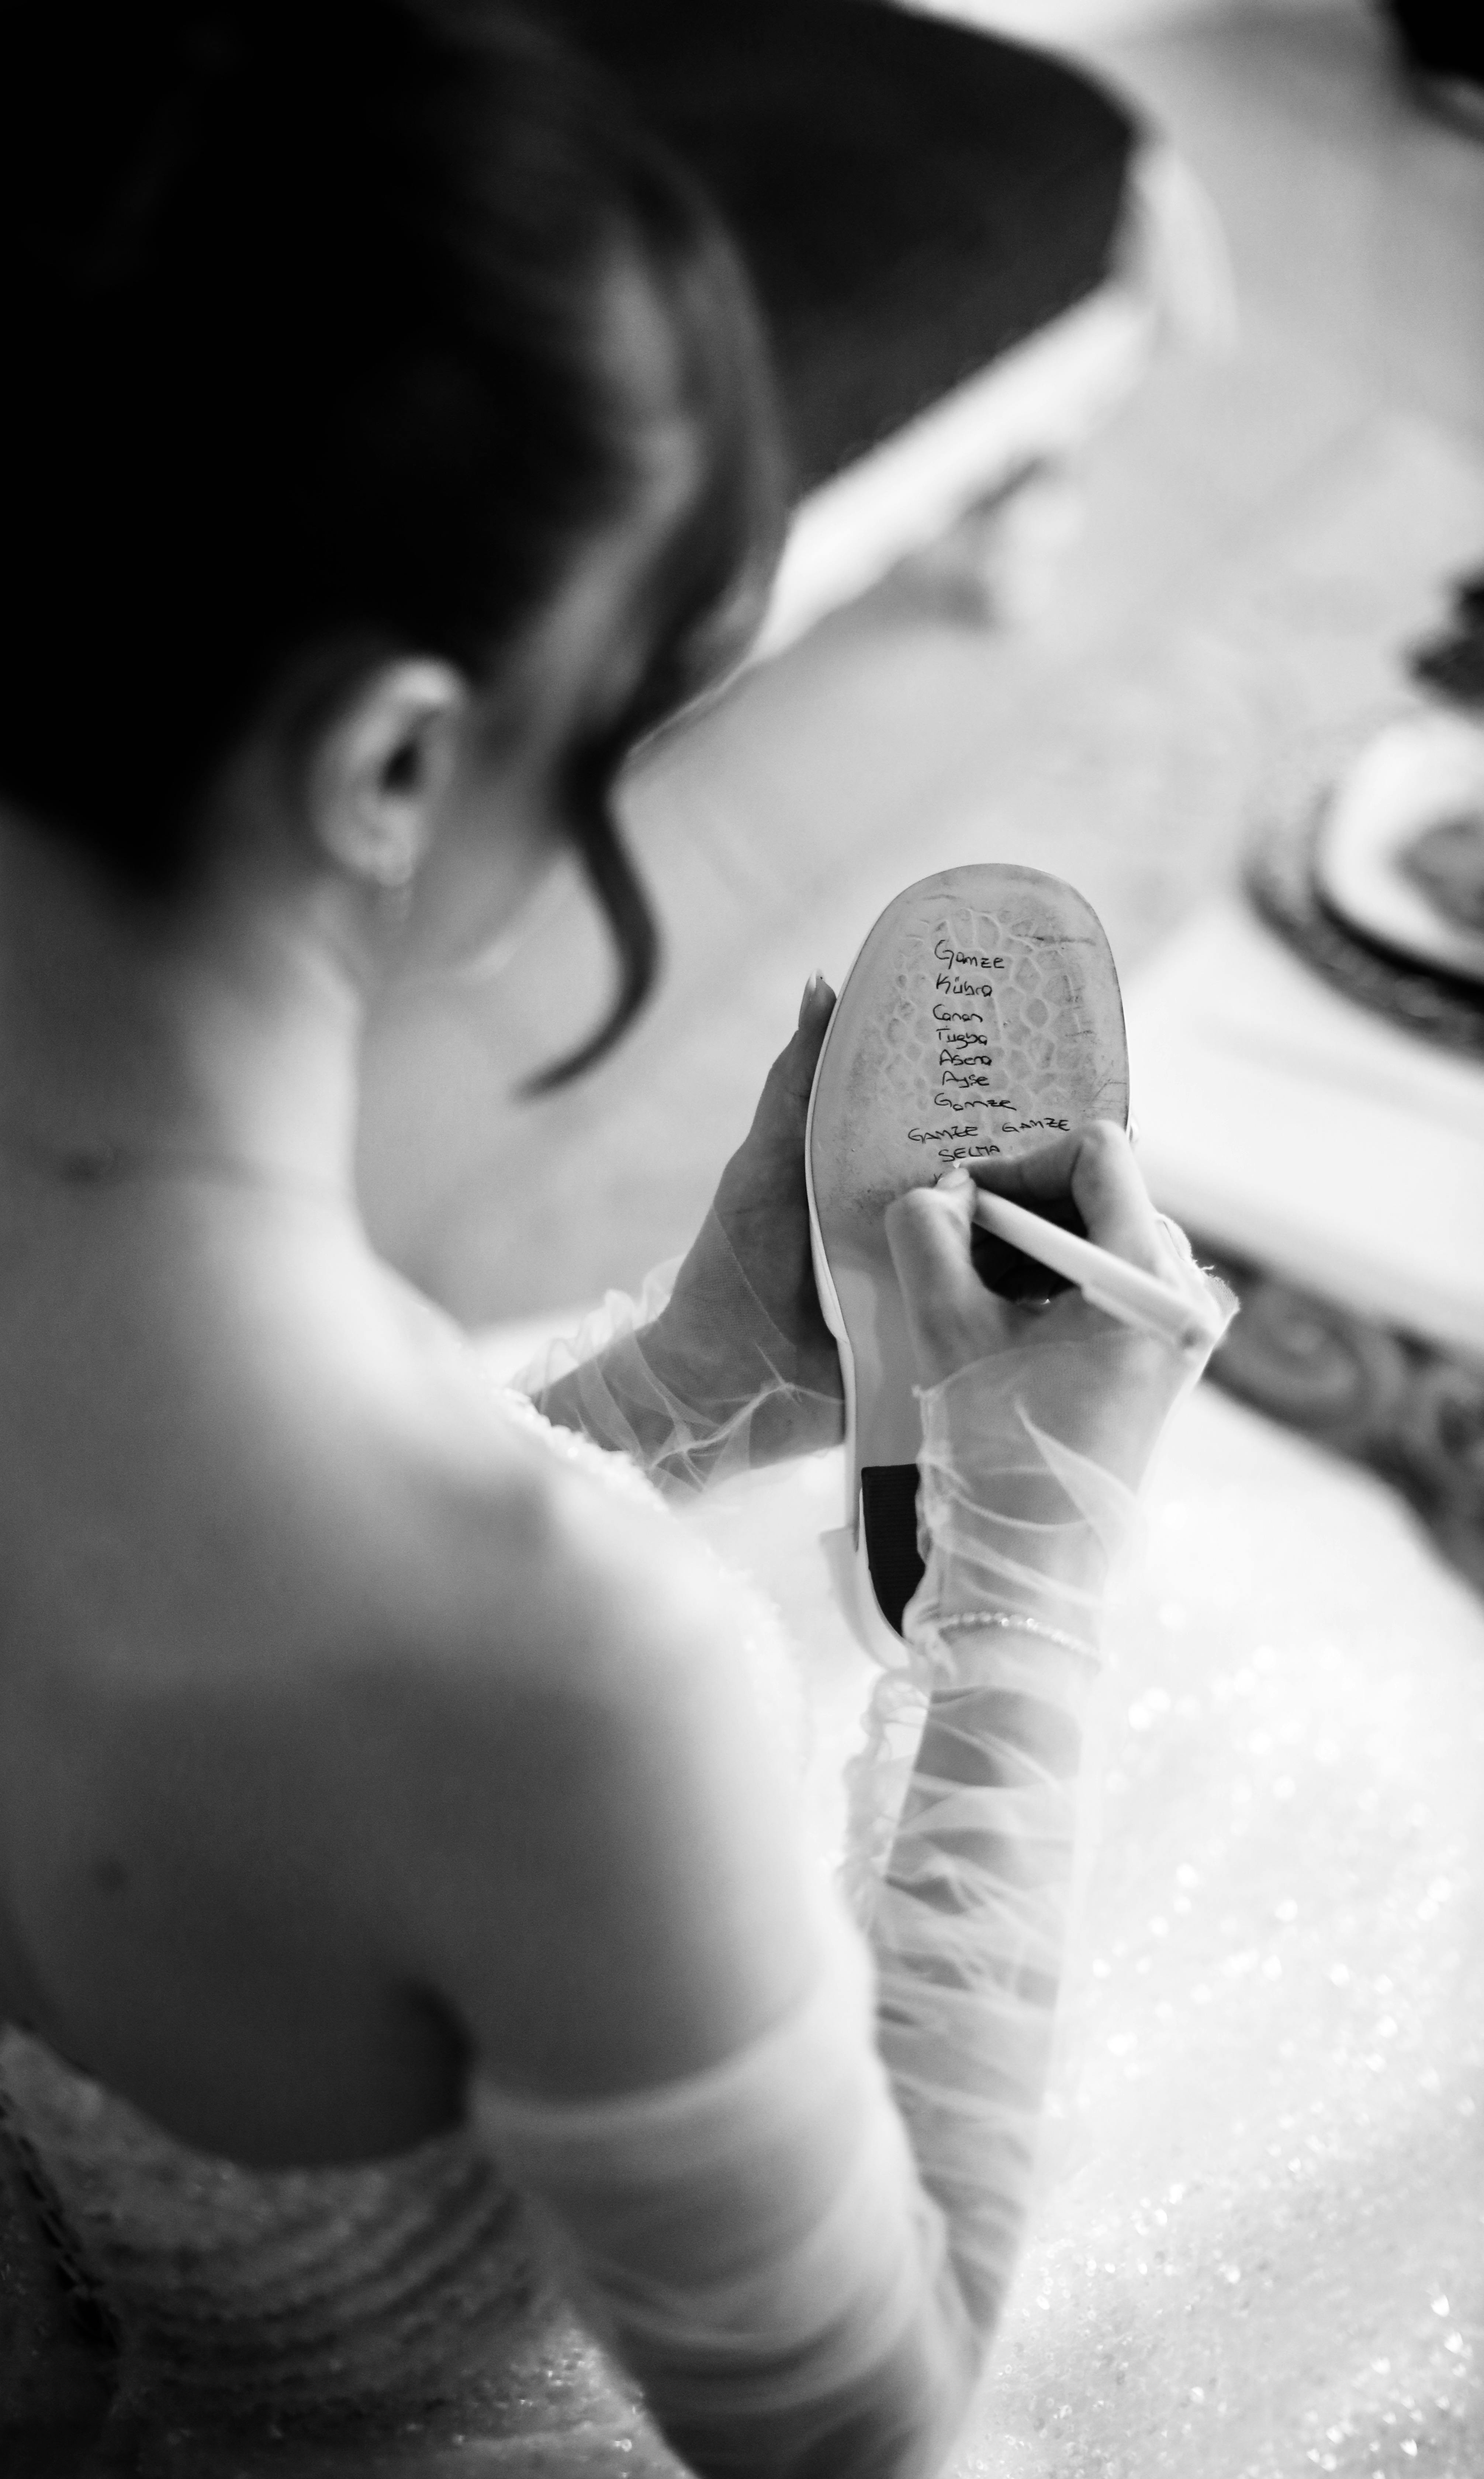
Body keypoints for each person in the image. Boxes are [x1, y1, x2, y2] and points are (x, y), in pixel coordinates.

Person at [0, 5, 1218, 2472]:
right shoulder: (566, 1684)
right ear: (401, 762)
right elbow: (868, 2428)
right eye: (630, 708)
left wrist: (687, 1375)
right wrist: (1026, 1558)